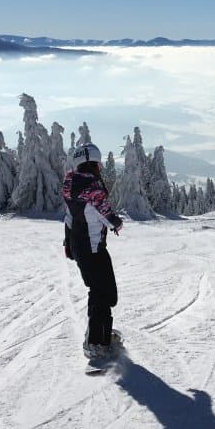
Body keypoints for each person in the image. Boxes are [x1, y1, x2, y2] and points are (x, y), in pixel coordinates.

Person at [63, 142, 124, 360]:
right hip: (93, 250)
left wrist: (67, 242)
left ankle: (102, 336)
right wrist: (116, 223)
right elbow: (105, 215)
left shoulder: (72, 188)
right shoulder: (93, 190)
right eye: (98, 164)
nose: (100, 167)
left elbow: (69, 217)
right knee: (102, 293)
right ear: (92, 164)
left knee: (104, 292)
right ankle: (96, 343)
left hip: (83, 248)